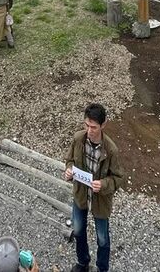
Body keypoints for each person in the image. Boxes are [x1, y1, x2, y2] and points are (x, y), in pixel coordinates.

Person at [63, 103, 123, 272]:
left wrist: (103, 184)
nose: (89, 130)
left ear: (103, 125)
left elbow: (118, 178)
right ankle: (83, 263)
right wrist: (68, 170)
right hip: (80, 195)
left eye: (94, 127)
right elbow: (69, 160)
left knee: (102, 239)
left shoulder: (111, 150)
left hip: (100, 201)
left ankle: (102, 268)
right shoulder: (78, 139)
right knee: (78, 230)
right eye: (86, 125)